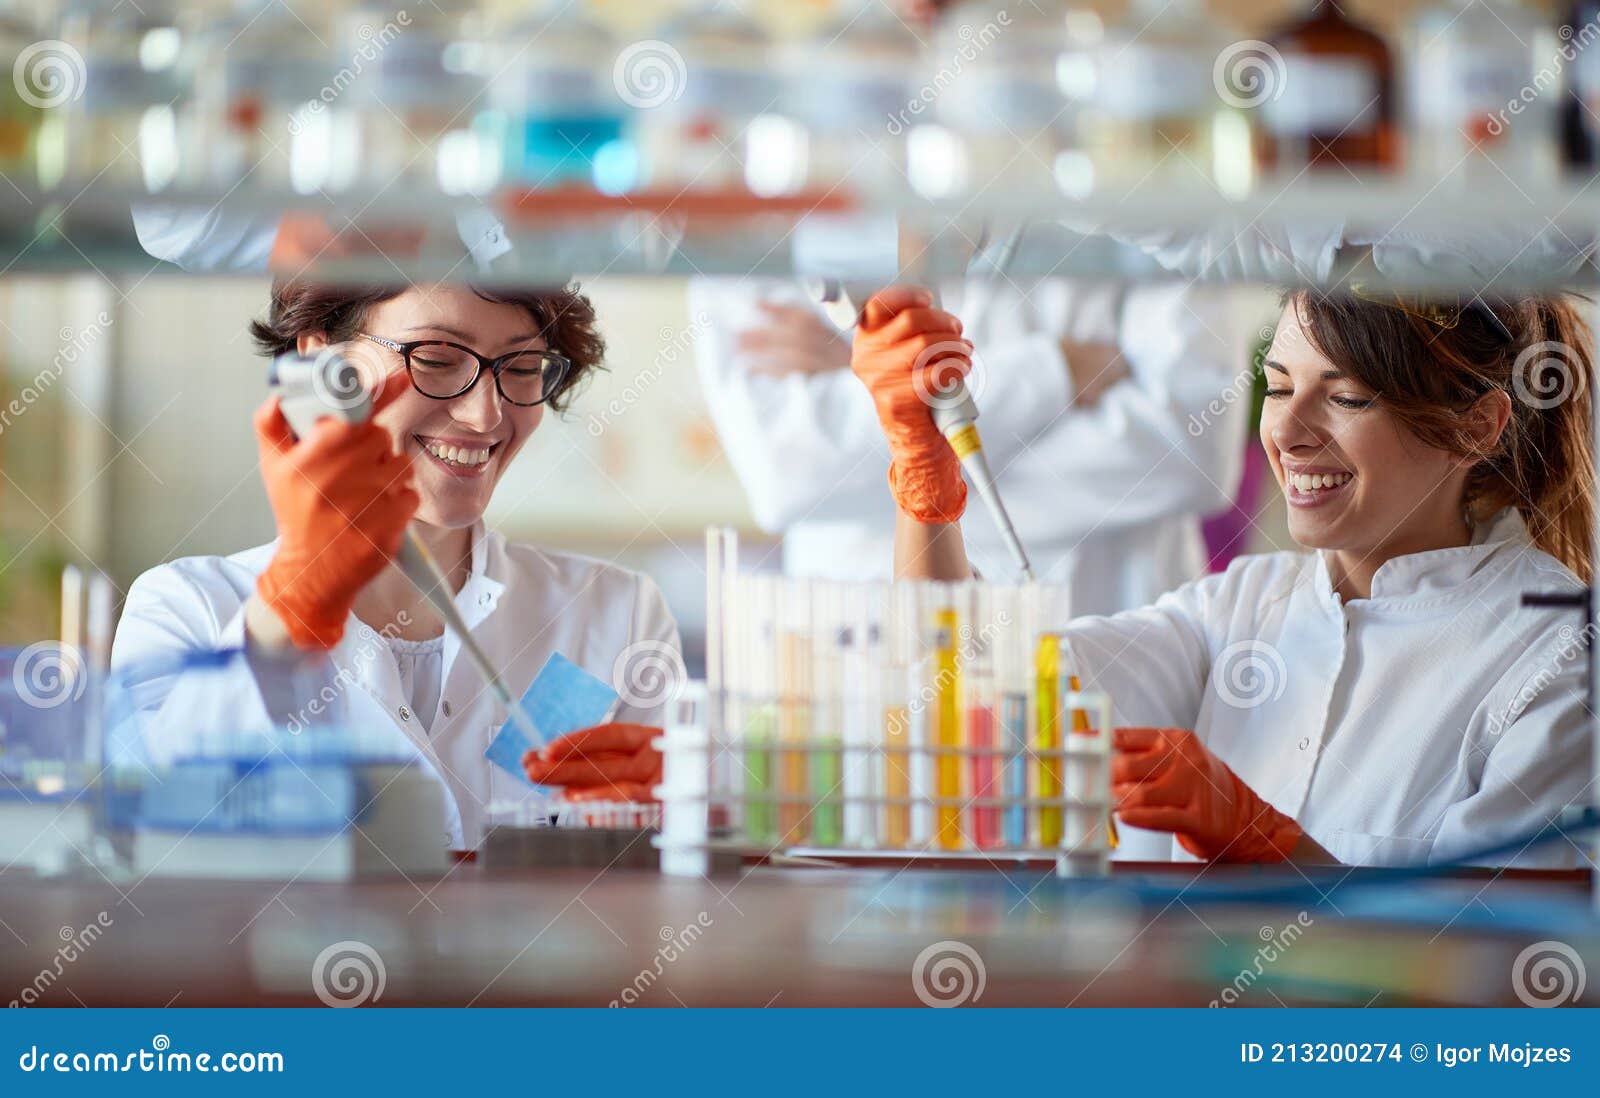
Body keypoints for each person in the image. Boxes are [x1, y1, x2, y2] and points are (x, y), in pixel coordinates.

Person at [854, 285, 1594, 866]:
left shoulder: (1559, 658)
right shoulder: (1239, 607)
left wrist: (1263, 841)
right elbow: (976, 701)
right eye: (1277, 387)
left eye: (1344, 397)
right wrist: (926, 478)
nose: (1289, 432)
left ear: (1478, 426)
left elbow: (1495, 970)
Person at [110, 280, 675, 850]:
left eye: (523, 366)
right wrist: (291, 610)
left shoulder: (616, 614)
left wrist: (677, 819)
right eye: (436, 358)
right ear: (323, 363)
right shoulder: (189, 607)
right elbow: (143, 847)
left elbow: (669, 897)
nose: (484, 414)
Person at [691, 273, 1263, 614]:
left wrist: (876, 390)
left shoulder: (1140, 170)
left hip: (1105, 658)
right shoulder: (776, 175)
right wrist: (1053, 370)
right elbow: (790, 477)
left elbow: (1191, 458)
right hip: (871, 678)